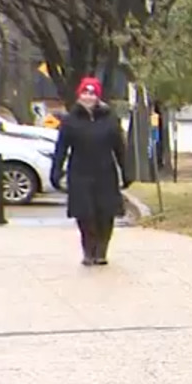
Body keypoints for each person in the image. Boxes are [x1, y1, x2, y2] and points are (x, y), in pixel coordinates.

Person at [51, 76, 131, 266]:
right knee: (85, 213)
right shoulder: (70, 120)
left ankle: (101, 250)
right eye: (85, 93)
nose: (88, 97)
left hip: (105, 172)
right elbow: (61, 148)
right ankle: (89, 249)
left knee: (105, 213)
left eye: (92, 93)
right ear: (79, 95)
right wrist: (56, 171)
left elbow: (119, 147)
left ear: (98, 96)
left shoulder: (110, 119)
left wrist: (126, 171)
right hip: (79, 172)